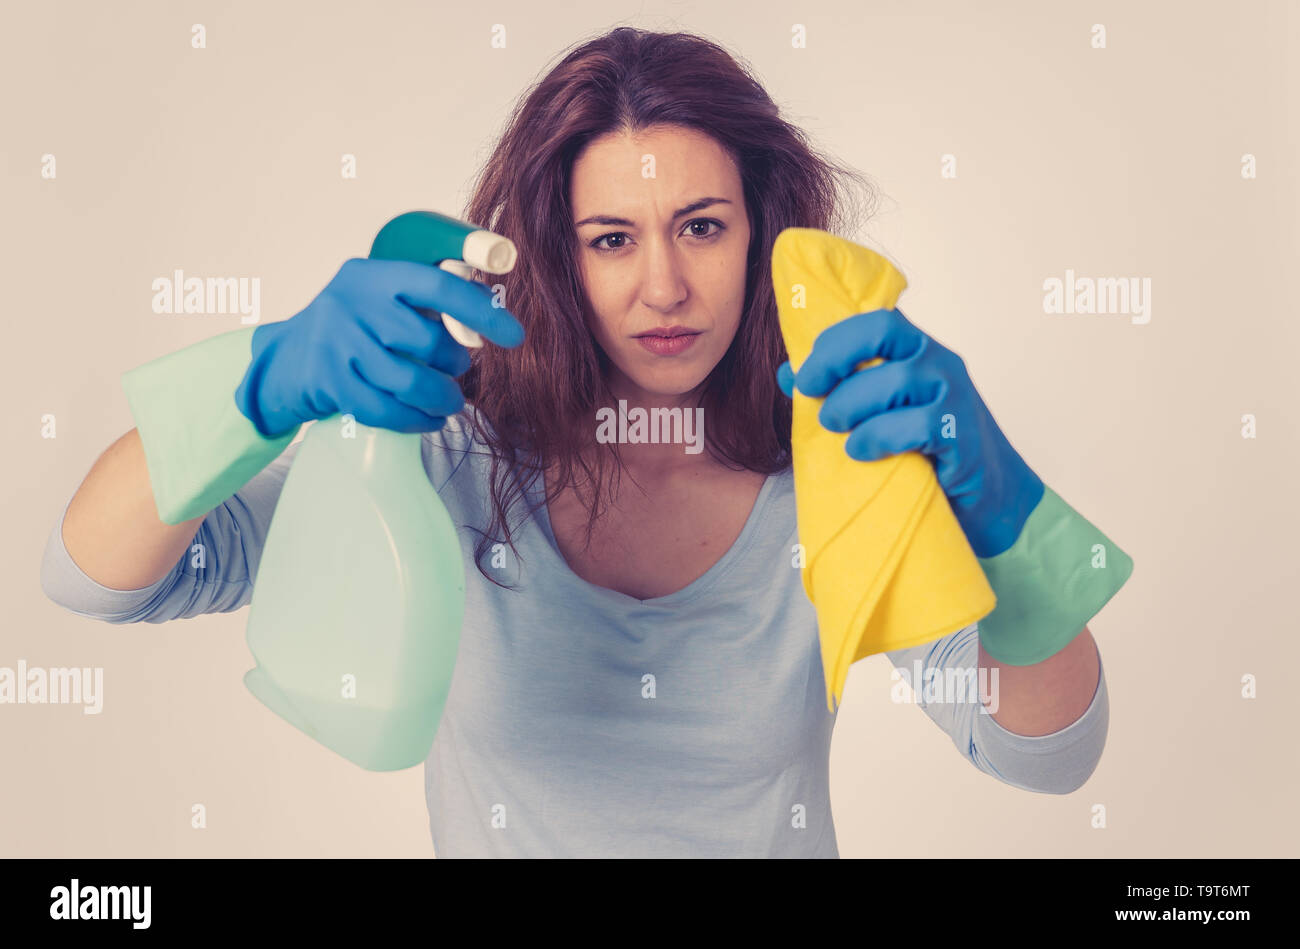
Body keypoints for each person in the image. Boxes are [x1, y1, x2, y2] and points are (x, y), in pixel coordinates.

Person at [41, 27, 1111, 858]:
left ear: (763, 235)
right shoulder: (451, 451)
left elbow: (1041, 752)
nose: (663, 288)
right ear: (556, 255)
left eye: (701, 226)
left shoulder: (833, 465)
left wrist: (1008, 520)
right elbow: (95, 578)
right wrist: (261, 379)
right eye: (612, 239)